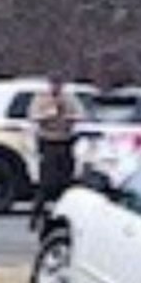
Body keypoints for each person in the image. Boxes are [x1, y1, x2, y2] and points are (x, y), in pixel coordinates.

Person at [28, 74, 80, 230]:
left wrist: (68, 117)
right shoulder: (41, 98)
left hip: (65, 141)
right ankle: (35, 217)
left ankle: (66, 217)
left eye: (59, 84)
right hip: (48, 141)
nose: (56, 87)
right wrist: (48, 115)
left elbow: (79, 114)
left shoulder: (70, 98)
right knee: (46, 183)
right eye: (54, 84)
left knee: (66, 182)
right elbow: (33, 116)